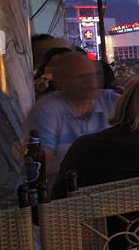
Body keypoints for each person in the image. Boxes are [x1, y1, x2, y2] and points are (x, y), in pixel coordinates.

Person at [23, 51, 120, 186]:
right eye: (81, 76)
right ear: (60, 81)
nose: (91, 81)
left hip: (108, 188)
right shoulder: (47, 109)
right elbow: (41, 164)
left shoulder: (111, 101)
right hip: (64, 193)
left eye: (94, 74)